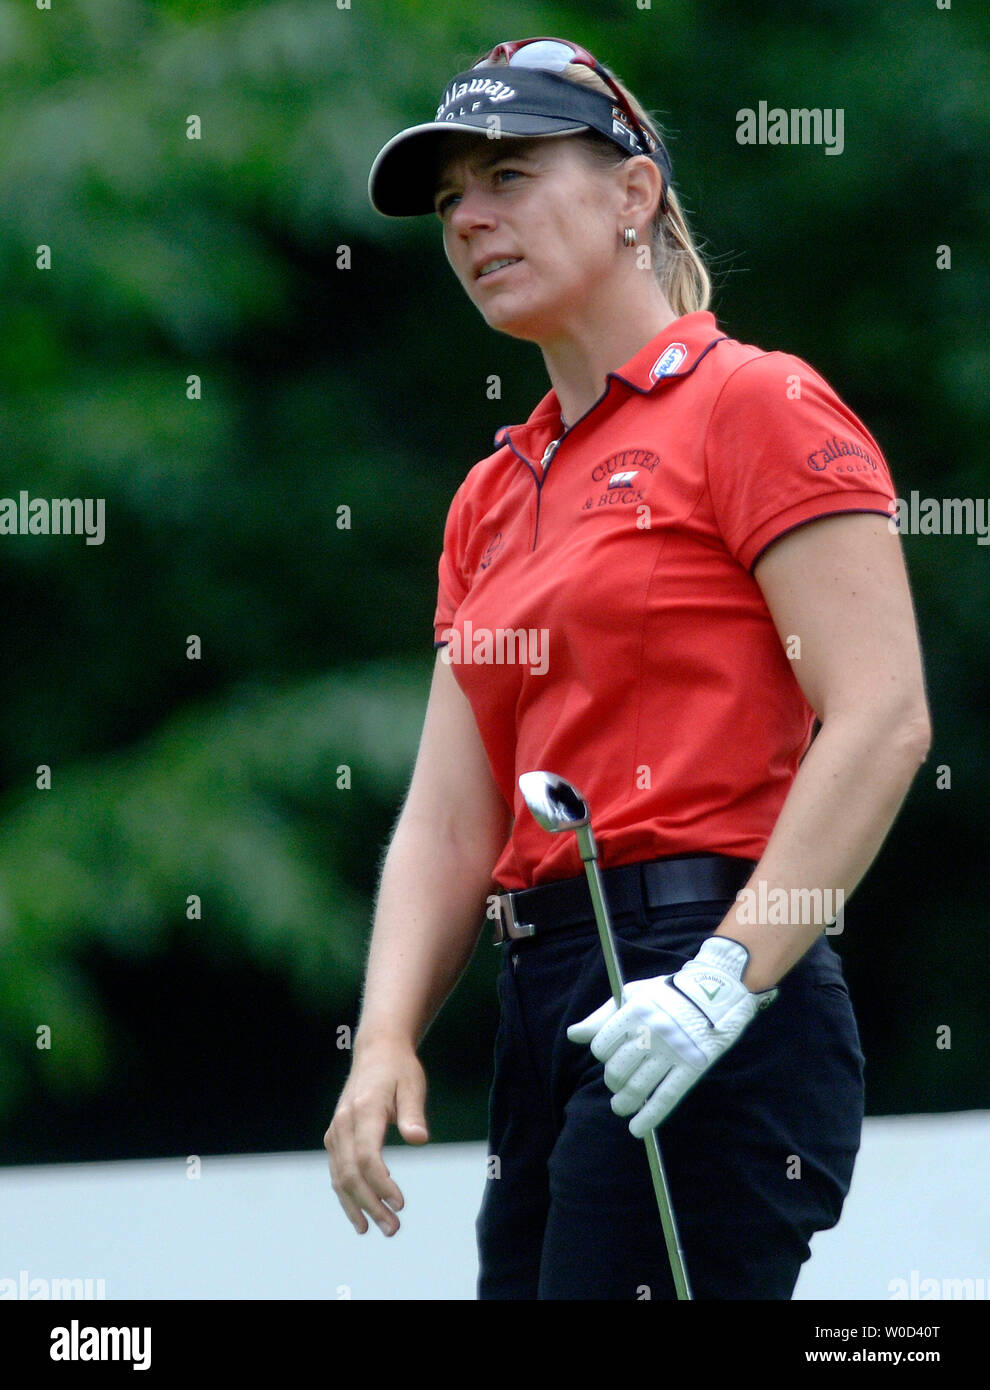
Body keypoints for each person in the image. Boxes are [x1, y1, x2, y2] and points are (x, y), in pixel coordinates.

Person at [325, 37, 931, 1300]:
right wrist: (384, 1036)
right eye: (450, 202)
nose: (470, 220)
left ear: (633, 194)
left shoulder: (755, 405)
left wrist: (721, 981)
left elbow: (879, 718)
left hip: (717, 975)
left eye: (507, 175)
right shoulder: (490, 496)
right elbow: (452, 812)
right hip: (547, 995)